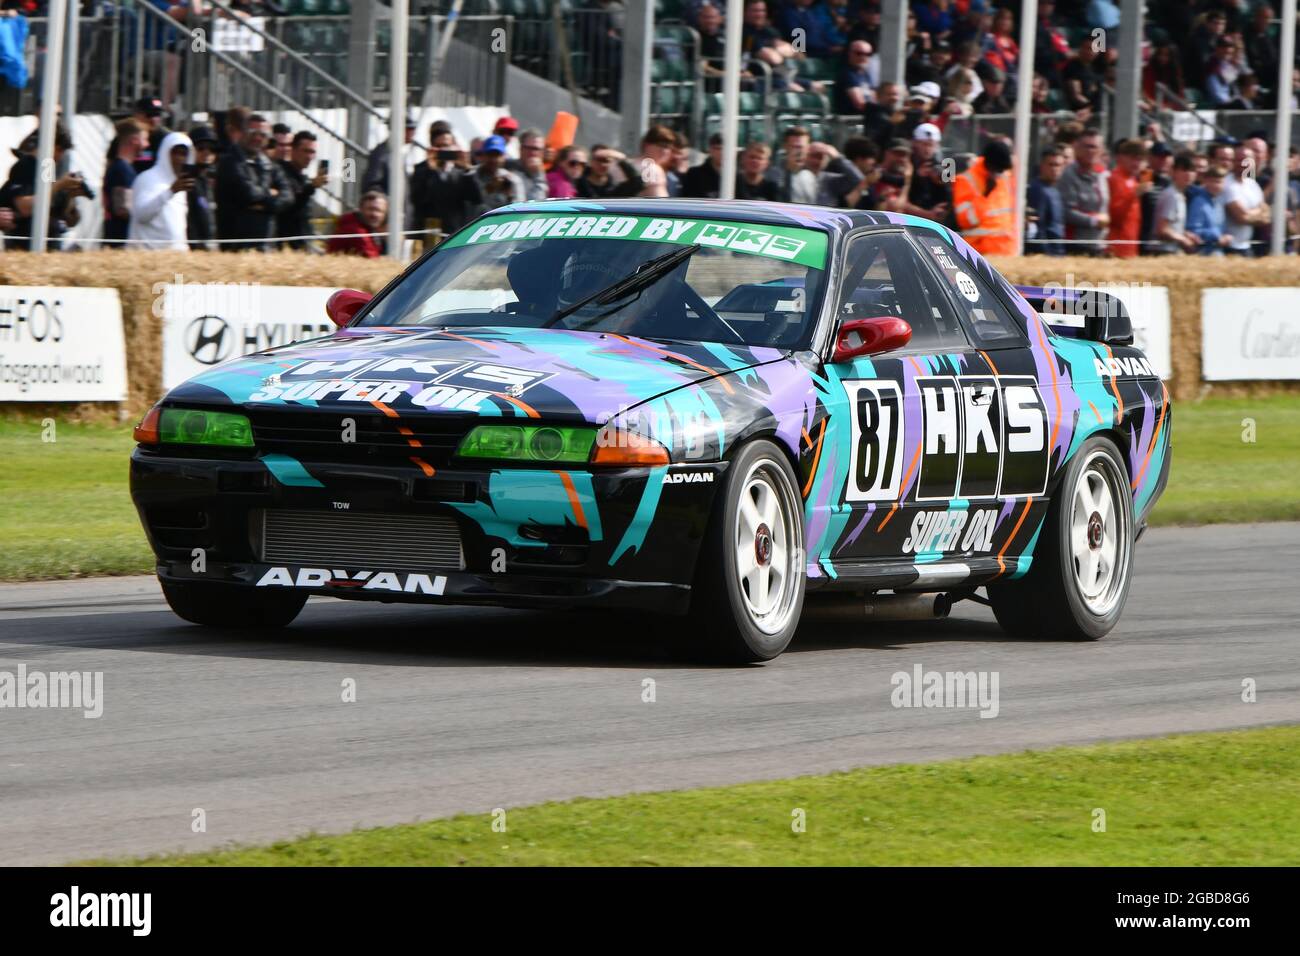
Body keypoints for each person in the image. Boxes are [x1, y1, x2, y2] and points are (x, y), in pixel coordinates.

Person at [0, 124, 86, 251]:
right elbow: (24, 207)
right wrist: (58, 186)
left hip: (51, 245)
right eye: (60, 150)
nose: (60, 157)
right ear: (55, 147)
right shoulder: (26, 166)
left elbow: (61, 215)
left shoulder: (47, 167)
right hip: (26, 247)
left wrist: (70, 196)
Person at [215, 109, 288, 251]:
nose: (258, 138)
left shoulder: (269, 165)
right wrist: (271, 194)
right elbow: (248, 193)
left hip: (265, 249)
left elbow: (288, 195)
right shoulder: (229, 162)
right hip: (235, 249)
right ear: (243, 133)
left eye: (263, 135)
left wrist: (265, 204)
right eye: (253, 133)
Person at [128, 130, 195, 251]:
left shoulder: (181, 184)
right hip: (149, 257)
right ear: (165, 153)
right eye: (175, 153)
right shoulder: (147, 178)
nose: (180, 159)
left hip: (176, 259)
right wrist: (170, 191)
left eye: (184, 154)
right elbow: (142, 215)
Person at [409, 129, 483, 237]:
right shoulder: (422, 169)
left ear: (454, 146)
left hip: (455, 233)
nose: (443, 150)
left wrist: (467, 169)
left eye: (446, 145)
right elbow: (417, 199)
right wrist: (431, 170)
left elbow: (477, 198)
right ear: (432, 148)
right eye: (438, 146)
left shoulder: (462, 171)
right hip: (429, 234)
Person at [953, 138, 1016, 255]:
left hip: (1007, 251)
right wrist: (985, 195)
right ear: (989, 165)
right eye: (998, 170)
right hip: (980, 253)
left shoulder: (1005, 175)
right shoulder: (965, 180)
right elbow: (965, 221)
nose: (1000, 173)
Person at [1058, 127, 1109, 254]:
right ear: (1077, 148)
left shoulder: (1104, 175)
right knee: (1071, 275)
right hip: (1076, 245)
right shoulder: (1068, 174)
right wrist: (1094, 221)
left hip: (1099, 244)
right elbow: (1066, 212)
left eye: (1094, 147)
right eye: (1087, 146)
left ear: (1101, 150)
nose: (1090, 151)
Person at [276, 130, 327, 250]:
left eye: (313, 152)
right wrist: (311, 187)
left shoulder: (303, 178)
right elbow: (288, 204)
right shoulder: (280, 173)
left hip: (304, 243)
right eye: (306, 151)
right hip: (287, 244)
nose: (309, 157)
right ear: (293, 150)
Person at [103, 118, 148, 248]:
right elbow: (122, 209)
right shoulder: (122, 170)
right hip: (121, 240)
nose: (147, 144)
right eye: (144, 139)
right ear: (134, 140)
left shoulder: (123, 168)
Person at [1222, 142, 1270, 254]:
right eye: (1238, 160)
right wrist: (1259, 213)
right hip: (1230, 247)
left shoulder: (1252, 184)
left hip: (1246, 246)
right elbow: (1241, 218)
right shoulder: (1227, 184)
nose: (1242, 163)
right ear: (1233, 161)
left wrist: (1249, 213)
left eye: (1246, 160)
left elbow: (1266, 214)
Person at [1153, 151, 1201, 254]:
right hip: (1164, 252)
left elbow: (1173, 227)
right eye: (1184, 170)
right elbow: (1162, 230)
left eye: (1192, 170)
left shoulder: (1179, 195)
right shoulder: (1171, 196)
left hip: (1171, 250)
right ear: (1173, 172)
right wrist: (1183, 240)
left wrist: (1186, 235)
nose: (1188, 174)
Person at [1107, 138, 1147, 258]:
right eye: (1132, 158)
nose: (1136, 163)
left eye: (1139, 159)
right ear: (1121, 158)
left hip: (1130, 246)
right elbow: (1114, 215)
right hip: (1117, 247)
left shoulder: (1134, 180)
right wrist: (1134, 195)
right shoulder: (1115, 178)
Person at [1026, 145, 1067, 256]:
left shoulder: (1054, 190)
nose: (1054, 169)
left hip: (1057, 252)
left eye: (1058, 165)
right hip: (1047, 255)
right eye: (1051, 165)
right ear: (1042, 166)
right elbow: (1039, 228)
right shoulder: (1038, 190)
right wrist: (1046, 254)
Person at [1186, 165, 1231, 255]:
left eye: (1219, 182)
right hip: (1203, 253)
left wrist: (1226, 236)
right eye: (1212, 181)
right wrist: (1216, 237)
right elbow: (1193, 230)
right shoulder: (1199, 202)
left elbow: (1221, 227)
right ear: (1205, 181)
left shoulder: (1219, 202)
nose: (1216, 185)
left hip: (1218, 253)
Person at [327, 190, 387, 258]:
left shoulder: (367, 226)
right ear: (361, 209)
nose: (374, 214)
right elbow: (371, 258)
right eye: (370, 209)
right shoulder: (355, 230)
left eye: (379, 211)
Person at [186, 123, 219, 250]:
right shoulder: (185, 181)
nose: (207, 152)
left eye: (212, 148)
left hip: (214, 247)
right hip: (194, 249)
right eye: (200, 148)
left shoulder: (216, 178)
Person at [471, 135, 525, 211]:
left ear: (504, 157)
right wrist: (489, 189)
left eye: (497, 155)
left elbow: (519, 210)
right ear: (483, 155)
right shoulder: (472, 176)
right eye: (490, 155)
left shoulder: (512, 180)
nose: (493, 159)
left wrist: (509, 195)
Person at [767, 126, 818, 203]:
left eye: (801, 147)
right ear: (785, 147)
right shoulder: (772, 175)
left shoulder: (816, 175)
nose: (799, 152)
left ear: (808, 148)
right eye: (794, 147)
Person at [130, 96, 169, 174]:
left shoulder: (165, 139)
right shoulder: (126, 135)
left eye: (157, 115)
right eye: (150, 114)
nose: (154, 119)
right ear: (137, 115)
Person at [681, 133, 724, 198]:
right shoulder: (694, 174)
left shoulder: (737, 176)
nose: (722, 152)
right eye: (718, 148)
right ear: (710, 150)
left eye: (725, 149)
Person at [515, 129, 550, 201]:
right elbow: (533, 205)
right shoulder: (507, 167)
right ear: (520, 148)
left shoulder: (545, 174)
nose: (533, 153)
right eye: (529, 148)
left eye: (536, 149)